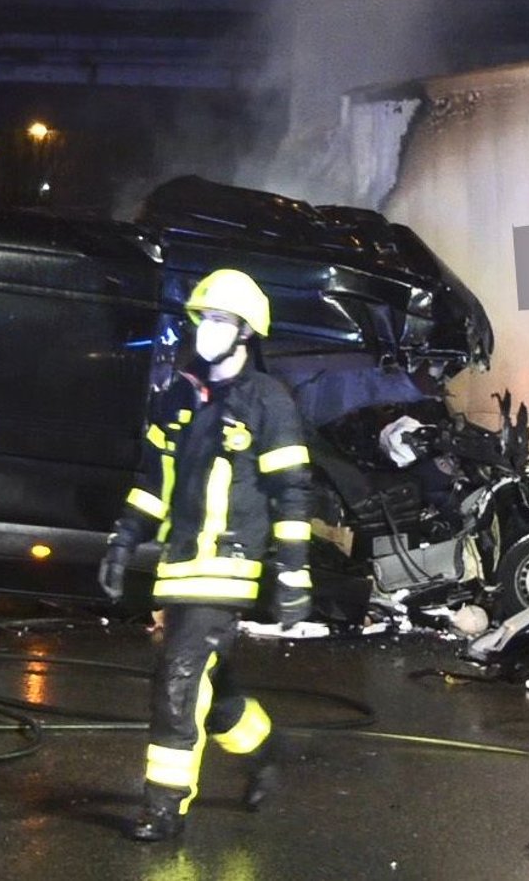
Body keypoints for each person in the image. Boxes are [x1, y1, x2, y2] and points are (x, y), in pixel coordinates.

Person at [98, 268, 315, 843]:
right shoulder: (180, 396)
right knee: (209, 689)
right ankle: (265, 750)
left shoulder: (269, 401)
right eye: (204, 319)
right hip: (178, 564)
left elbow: (291, 489)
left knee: (177, 680)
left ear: (247, 332)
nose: (208, 330)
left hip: (229, 565)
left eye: (221, 320)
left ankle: (165, 807)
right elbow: (155, 482)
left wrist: (294, 569)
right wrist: (123, 541)